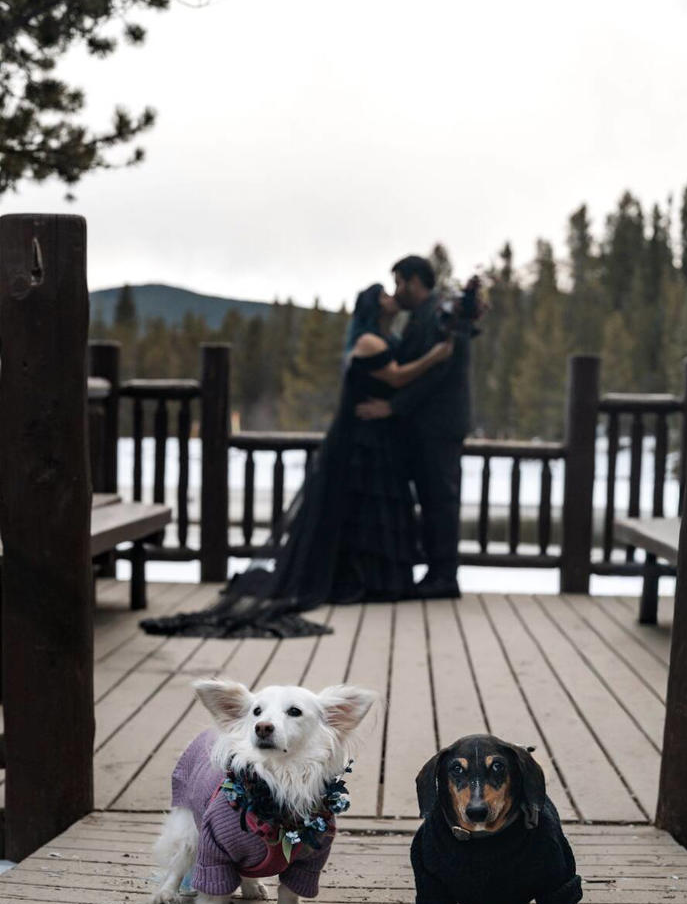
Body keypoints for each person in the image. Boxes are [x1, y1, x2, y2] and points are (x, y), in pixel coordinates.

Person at [140, 284, 453, 638]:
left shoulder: (386, 337)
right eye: (382, 295)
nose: (390, 297)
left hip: (378, 437)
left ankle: (374, 579)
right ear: (372, 306)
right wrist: (435, 358)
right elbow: (396, 376)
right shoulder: (368, 341)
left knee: (370, 511)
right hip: (357, 439)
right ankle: (356, 578)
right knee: (355, 509)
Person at [356, 256, 476, 600]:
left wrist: (393, 407)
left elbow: (440, 373)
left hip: (438, 424)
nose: (396, 291)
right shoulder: (425, 316)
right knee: (430, 498)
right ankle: (435, 572)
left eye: (398, 283)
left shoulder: (442, 315)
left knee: (440, 499)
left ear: (412, 282)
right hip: (424, 426)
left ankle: (444, 576)